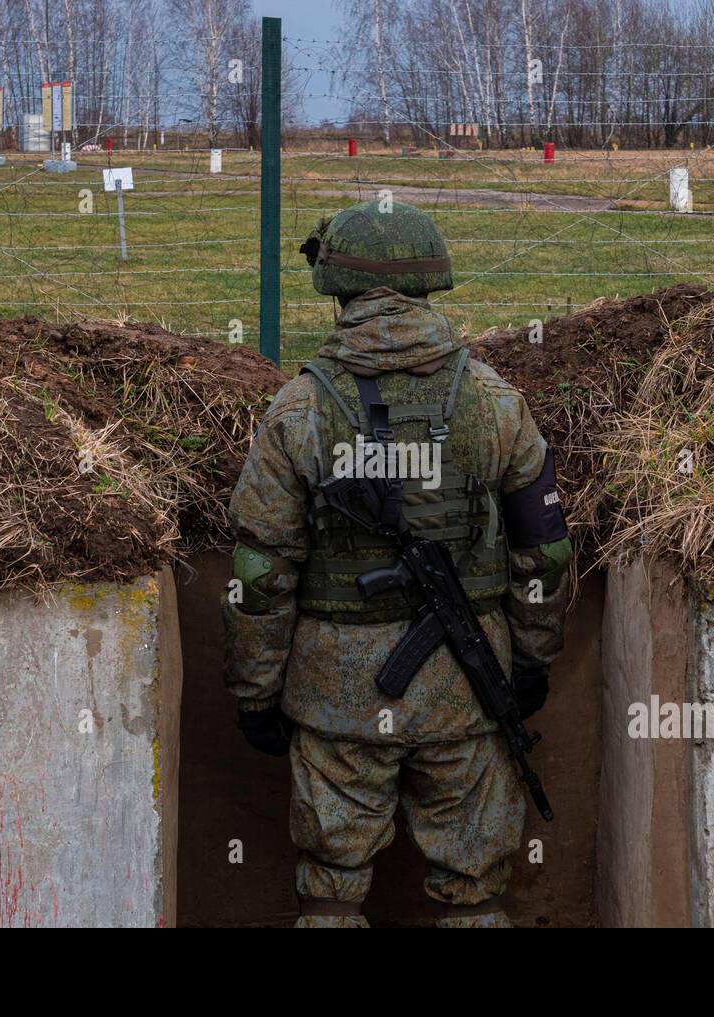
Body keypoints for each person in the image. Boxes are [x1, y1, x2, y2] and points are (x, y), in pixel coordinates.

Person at [222, 199, 571, 928]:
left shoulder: (298, 410)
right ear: (429, 285)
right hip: (467, 692)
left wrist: (257, 691)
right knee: (476, 892)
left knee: (329, 889)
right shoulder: (495, 403)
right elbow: (547, 550)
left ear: (336, 287)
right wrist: (532, 657)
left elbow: (260, 572)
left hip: (335, 698)